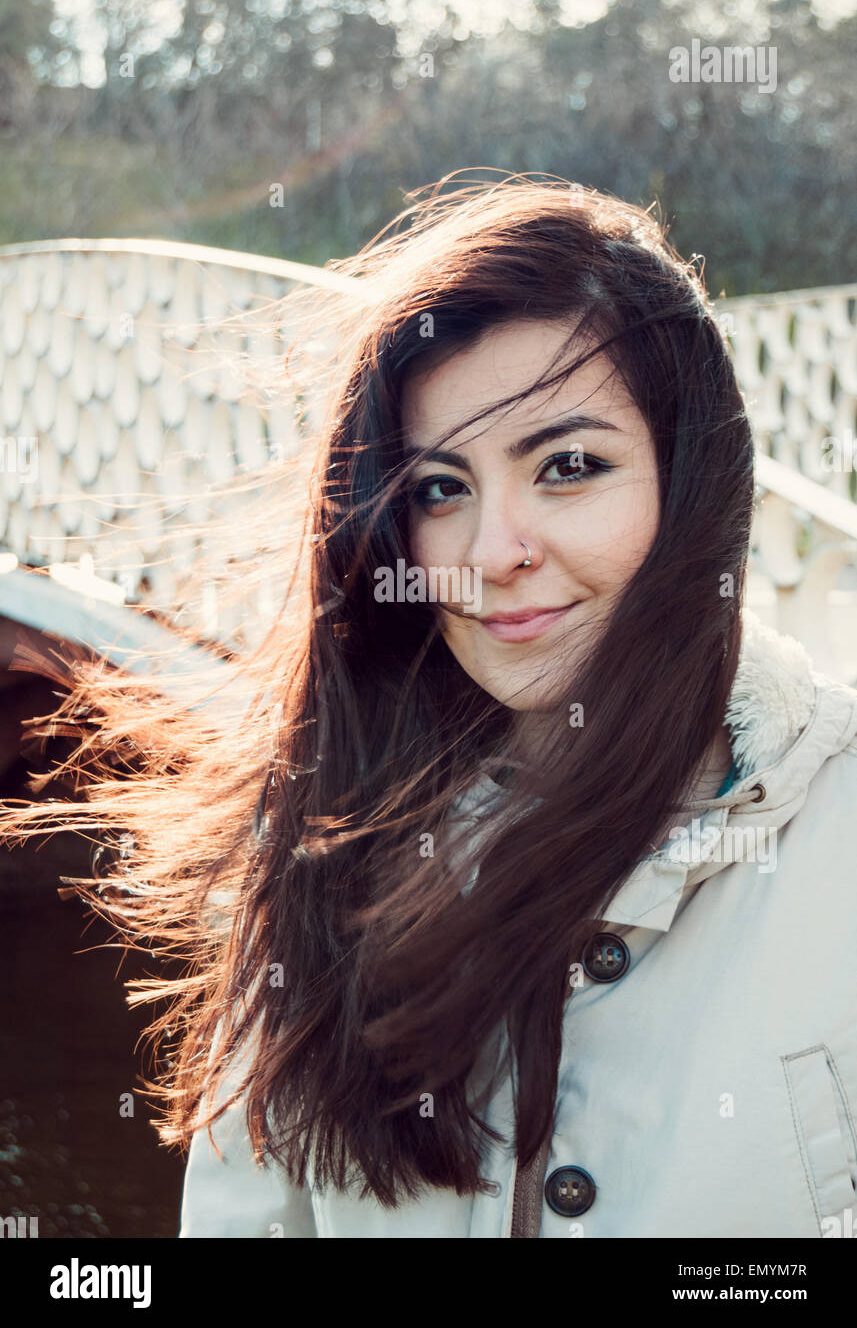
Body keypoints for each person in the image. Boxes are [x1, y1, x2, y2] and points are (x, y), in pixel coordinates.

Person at [5, 174, 856, 1238]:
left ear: (691, 484)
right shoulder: (319, 848)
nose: (492, 553)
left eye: (568, 466)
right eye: (437, 489)